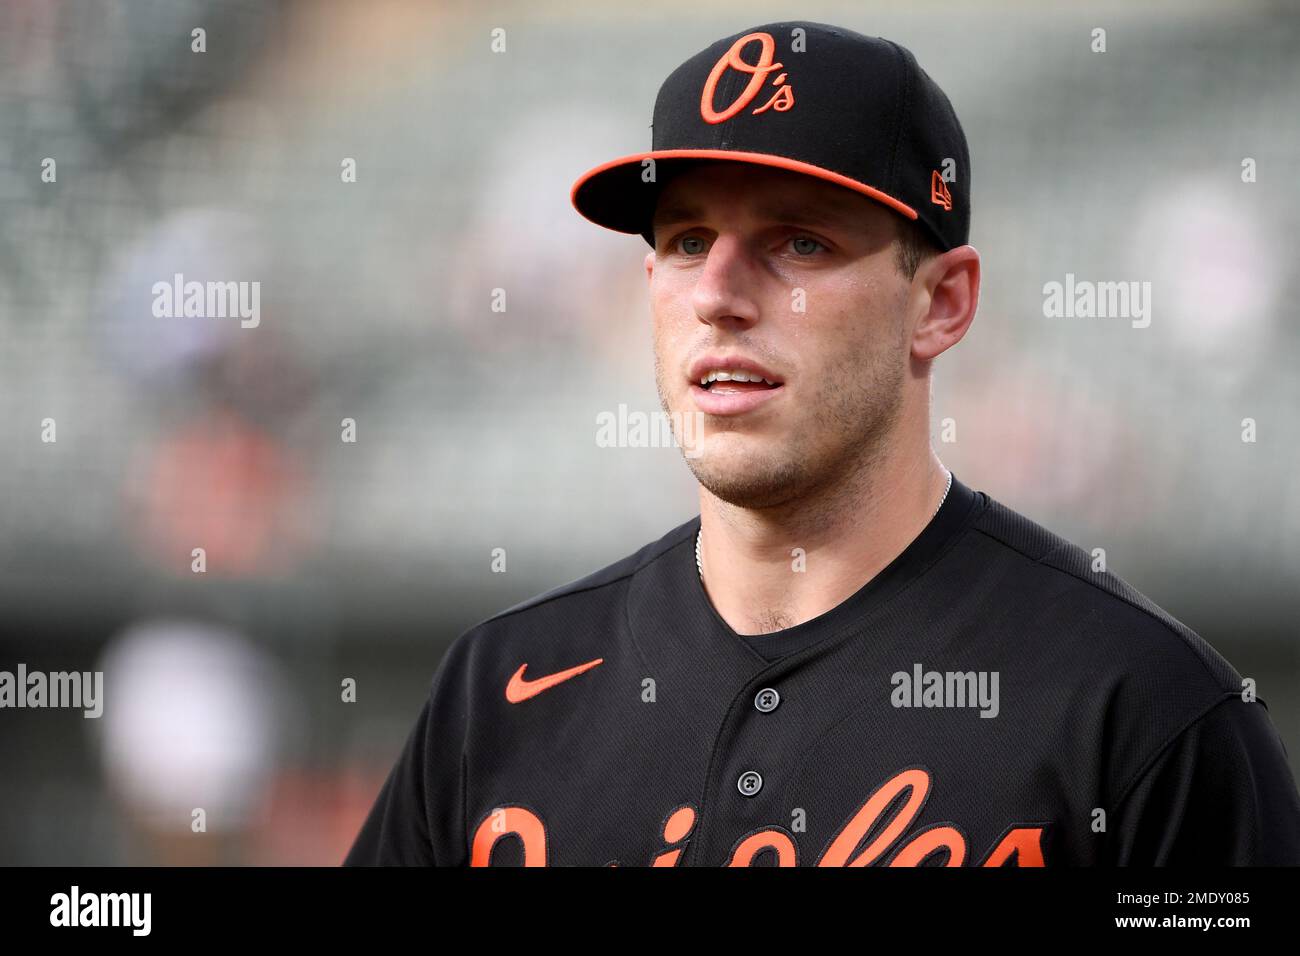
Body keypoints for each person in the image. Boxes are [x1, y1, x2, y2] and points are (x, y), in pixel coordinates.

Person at [344, 21, 1300, 866]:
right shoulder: (499, 691)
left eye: (799, 242)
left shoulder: (1138, 712)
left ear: (941, 303)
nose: (719, 293)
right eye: (685, 241)